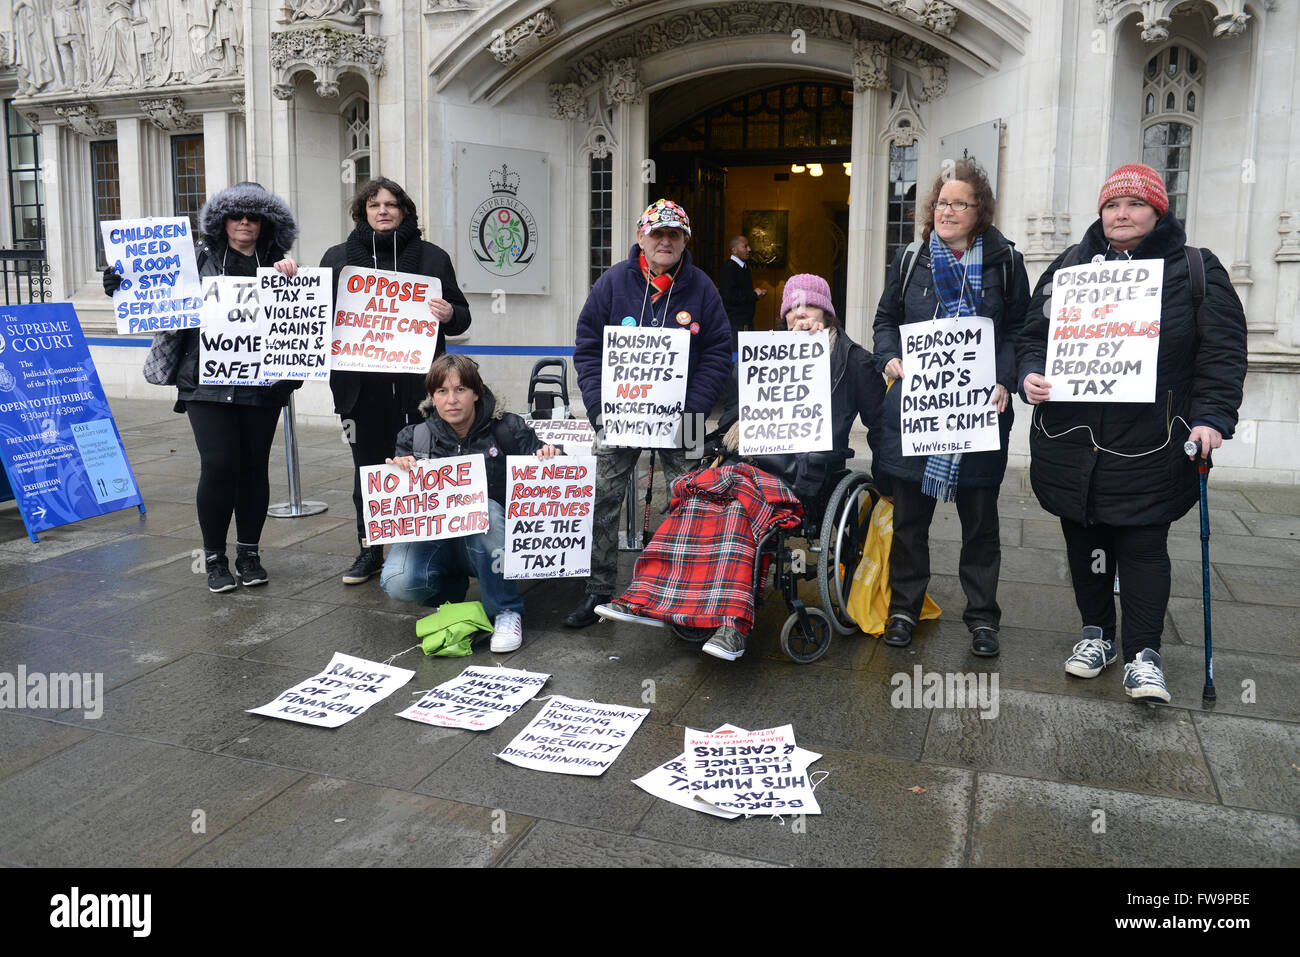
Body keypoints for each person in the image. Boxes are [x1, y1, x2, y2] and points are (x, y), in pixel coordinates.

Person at [1017, 163, 1247, 703]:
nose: (1122, 214)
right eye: (1112, 206)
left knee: (1143, 545)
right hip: (1072, 439)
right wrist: (1027, 374)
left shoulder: (1195, 269)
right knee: (1086, 543)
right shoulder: (1069, 266)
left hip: (1152, 440)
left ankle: (1145, 654)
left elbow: (1222, 352)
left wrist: (1213, 418)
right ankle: (1097, 635)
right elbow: (1032, 334)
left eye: (1135, 205)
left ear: (1157, 211)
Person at [596, 274, 884, 661]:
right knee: (695, 498)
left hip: (803, 473)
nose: (800, 314)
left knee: (735, 509)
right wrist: (734, 426)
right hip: (747, 462)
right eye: (793, 308)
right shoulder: (767, 353)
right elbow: (731, 412)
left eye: (809, 306)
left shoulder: (853, 359)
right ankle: (647, 598)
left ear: (827, 313)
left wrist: (891, 477)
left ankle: (731, 623)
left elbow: (880, 423)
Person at [104, 181, 301, 592]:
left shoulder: (282, 267)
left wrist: (291, 278)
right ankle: (214, 558)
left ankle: (249, 554)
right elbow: (153, 291)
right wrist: (121, 283)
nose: (245, 222)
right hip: (205, 384)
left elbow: (300, 323)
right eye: (236, 215)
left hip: (261, 385)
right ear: (222, 221)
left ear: (267, 224)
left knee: (253, 468)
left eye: (254, 216)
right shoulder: (194, 261)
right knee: (218, 464)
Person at [871, 158, 1029, 657]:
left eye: (960, 202)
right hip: (919, 415)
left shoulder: (1006, 262)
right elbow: (885, 320)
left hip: (979, 416)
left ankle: (983, 620)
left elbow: (1020, 331)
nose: (948, 210)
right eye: (942, 202)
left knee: (979, 526)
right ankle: (904, 609)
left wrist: (1006, 378)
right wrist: (890, 356)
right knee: (910, 523)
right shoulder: (912, 258)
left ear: (979, 210)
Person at [565, 198, 732, 628]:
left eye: (673, 234)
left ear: (684, 241)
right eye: (657, 234)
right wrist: (599, 406)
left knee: (697, 501)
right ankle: (598, 589)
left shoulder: (703, 287)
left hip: (687, 418)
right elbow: (587, 346)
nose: (665, 241)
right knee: (602, 498)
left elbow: (717, 351)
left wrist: (694, 408)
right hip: (618, 413)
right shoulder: (612, 283)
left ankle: (687, 592)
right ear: (641, 238)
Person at [320, 177, 472, 586]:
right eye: (374, 205)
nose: (383, 211)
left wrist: (448, 315)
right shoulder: (337, 259)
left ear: (404, 211)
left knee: (422, 468)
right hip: (360, 390)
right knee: (367, 472)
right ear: (362, 213)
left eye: (390, 204)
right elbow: (313, 313)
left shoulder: (432, 258)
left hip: (418, 390)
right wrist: (288, 274)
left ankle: (423, 549)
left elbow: (463, 315)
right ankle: (370, 550)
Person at [380, 354, 559, 653]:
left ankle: (506, 610)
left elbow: (551, 478)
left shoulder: (508, 429)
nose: (452, 400)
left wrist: (550, 457)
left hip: (493, 542)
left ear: (476, 393)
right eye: (442, 391)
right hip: (438, 540)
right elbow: (402, 506)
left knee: (485, 508)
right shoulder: (415, 437)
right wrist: (399, 471)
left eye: (460, 389)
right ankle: (449, 597)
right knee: (399, 579)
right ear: (433, 397)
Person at [717, 234, 767, 348]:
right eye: (745, 246)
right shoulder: (728, 268)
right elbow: (729, 296)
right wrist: (754, 294)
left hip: (745, 325)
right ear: (734, 250)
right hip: (734, 327)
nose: (749, 249)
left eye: (749, 246)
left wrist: (756, 295)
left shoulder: (743, 267)